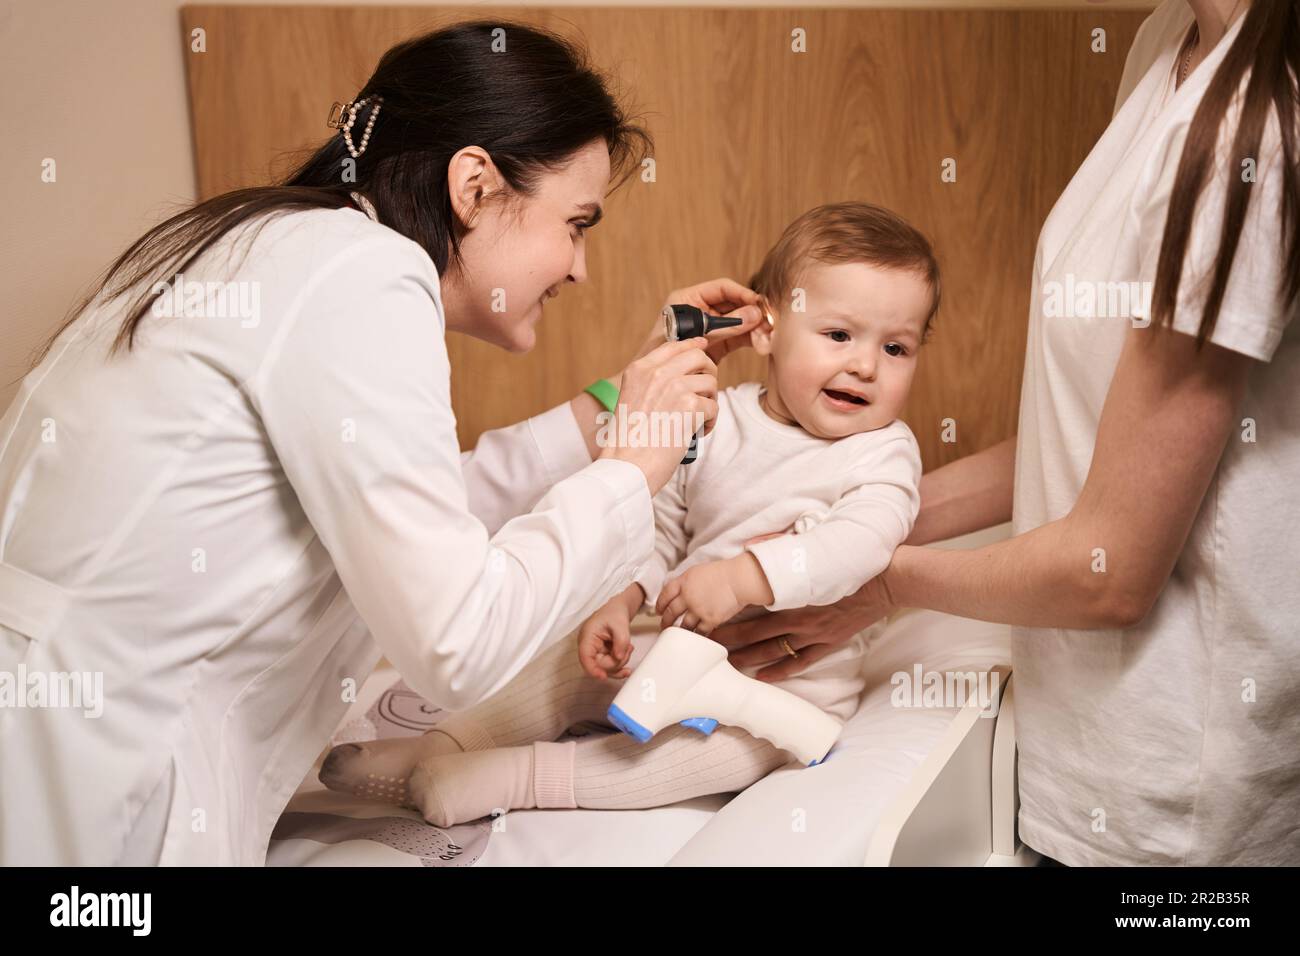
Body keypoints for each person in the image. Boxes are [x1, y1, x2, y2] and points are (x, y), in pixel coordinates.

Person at [0, 20, 765, 865]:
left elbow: (404, 517)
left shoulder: (277, 244)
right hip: (98, 787)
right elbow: (457, 643)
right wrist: (633, 469)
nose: (580, 267)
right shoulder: (365, 275)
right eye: (576, 223)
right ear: (474, 185)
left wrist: (632, 392)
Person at [712, 0, 1299, 866]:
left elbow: (1115, 572)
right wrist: (856, 523)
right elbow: (1111, 438)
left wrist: (878, 577)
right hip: (1077, 742)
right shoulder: (1163, 45)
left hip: (1175, 788)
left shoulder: (1251, 135)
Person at [317, 202, 936, 826]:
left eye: (896, 347)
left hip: (776, 688)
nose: (865, 365)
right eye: (839, 335)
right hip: (670, 656)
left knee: (718, 756)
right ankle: (442, 748)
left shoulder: (883, 452)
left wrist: (743, 577)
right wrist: (620, 598)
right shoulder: (716, 414)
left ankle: (515, 776)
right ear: (767, 330)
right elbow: (661, 521)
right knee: (561, 666)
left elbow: (864, 543)